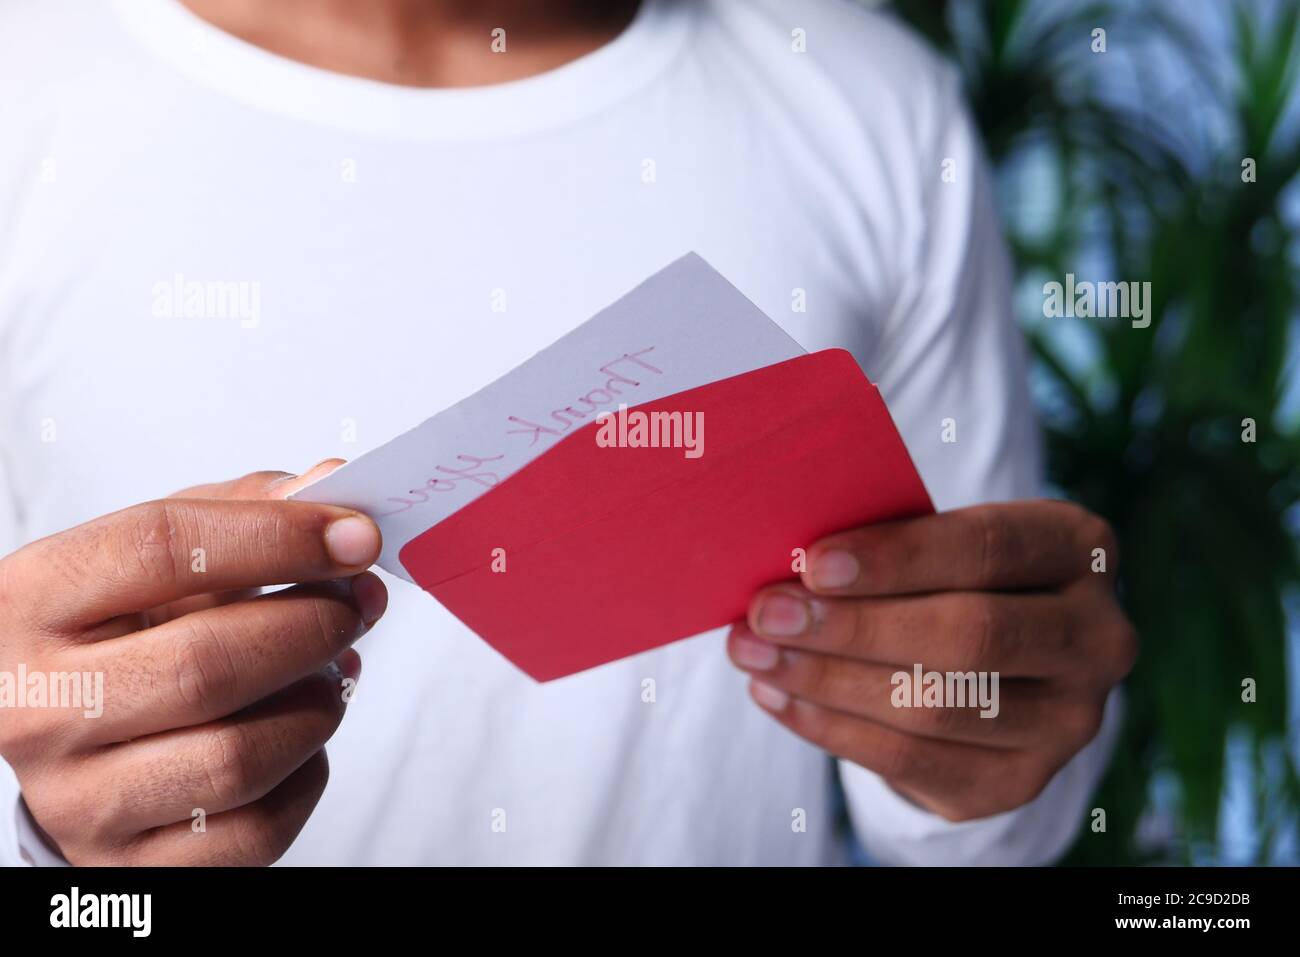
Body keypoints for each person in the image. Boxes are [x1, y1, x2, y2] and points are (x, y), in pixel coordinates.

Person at [0, 0, 1136, 866]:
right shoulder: (26, 85)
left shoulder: (869, 104)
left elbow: (980, 800)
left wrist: (997, 756)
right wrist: (51, 842)